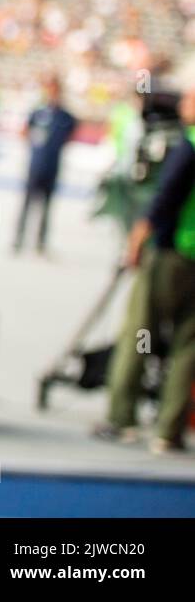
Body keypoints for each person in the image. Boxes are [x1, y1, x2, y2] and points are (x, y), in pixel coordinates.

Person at [93, 85, 195, 455]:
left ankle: (122, 418)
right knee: (188, 347)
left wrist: (139, 237)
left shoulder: (190, 144)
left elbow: (166, 195)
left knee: (140, 332)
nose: (182, 105)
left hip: (172, 253)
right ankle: (169, 430)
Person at [12, 74, 77, 256]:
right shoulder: (37, 112)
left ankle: (40, 243)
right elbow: (24, 131)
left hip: (52, 166)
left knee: (47, 207)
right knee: (26, 204)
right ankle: (18, 240)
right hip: (35, 166)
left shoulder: (66, 116)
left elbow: (71, 136)